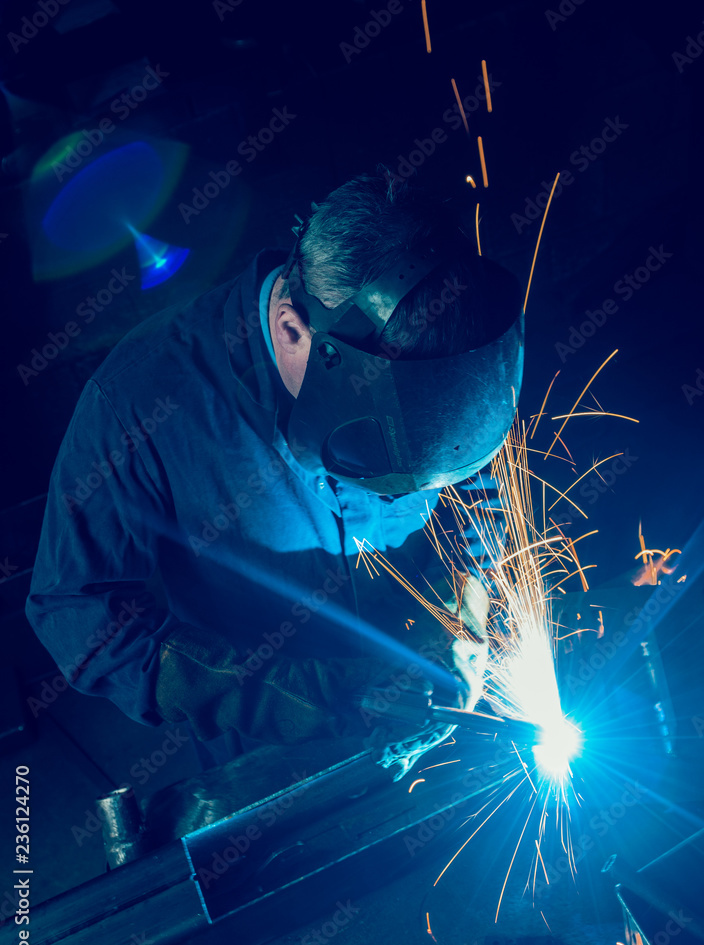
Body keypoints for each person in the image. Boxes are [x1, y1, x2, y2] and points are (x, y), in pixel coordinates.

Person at [26, 170, 524, 772]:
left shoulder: (444, 352)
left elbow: (472, 477)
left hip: (440, 721)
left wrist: (467, 614)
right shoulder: (141, 398)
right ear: (293, 330)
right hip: (273, 760)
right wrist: (302, 700)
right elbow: (77, 614)